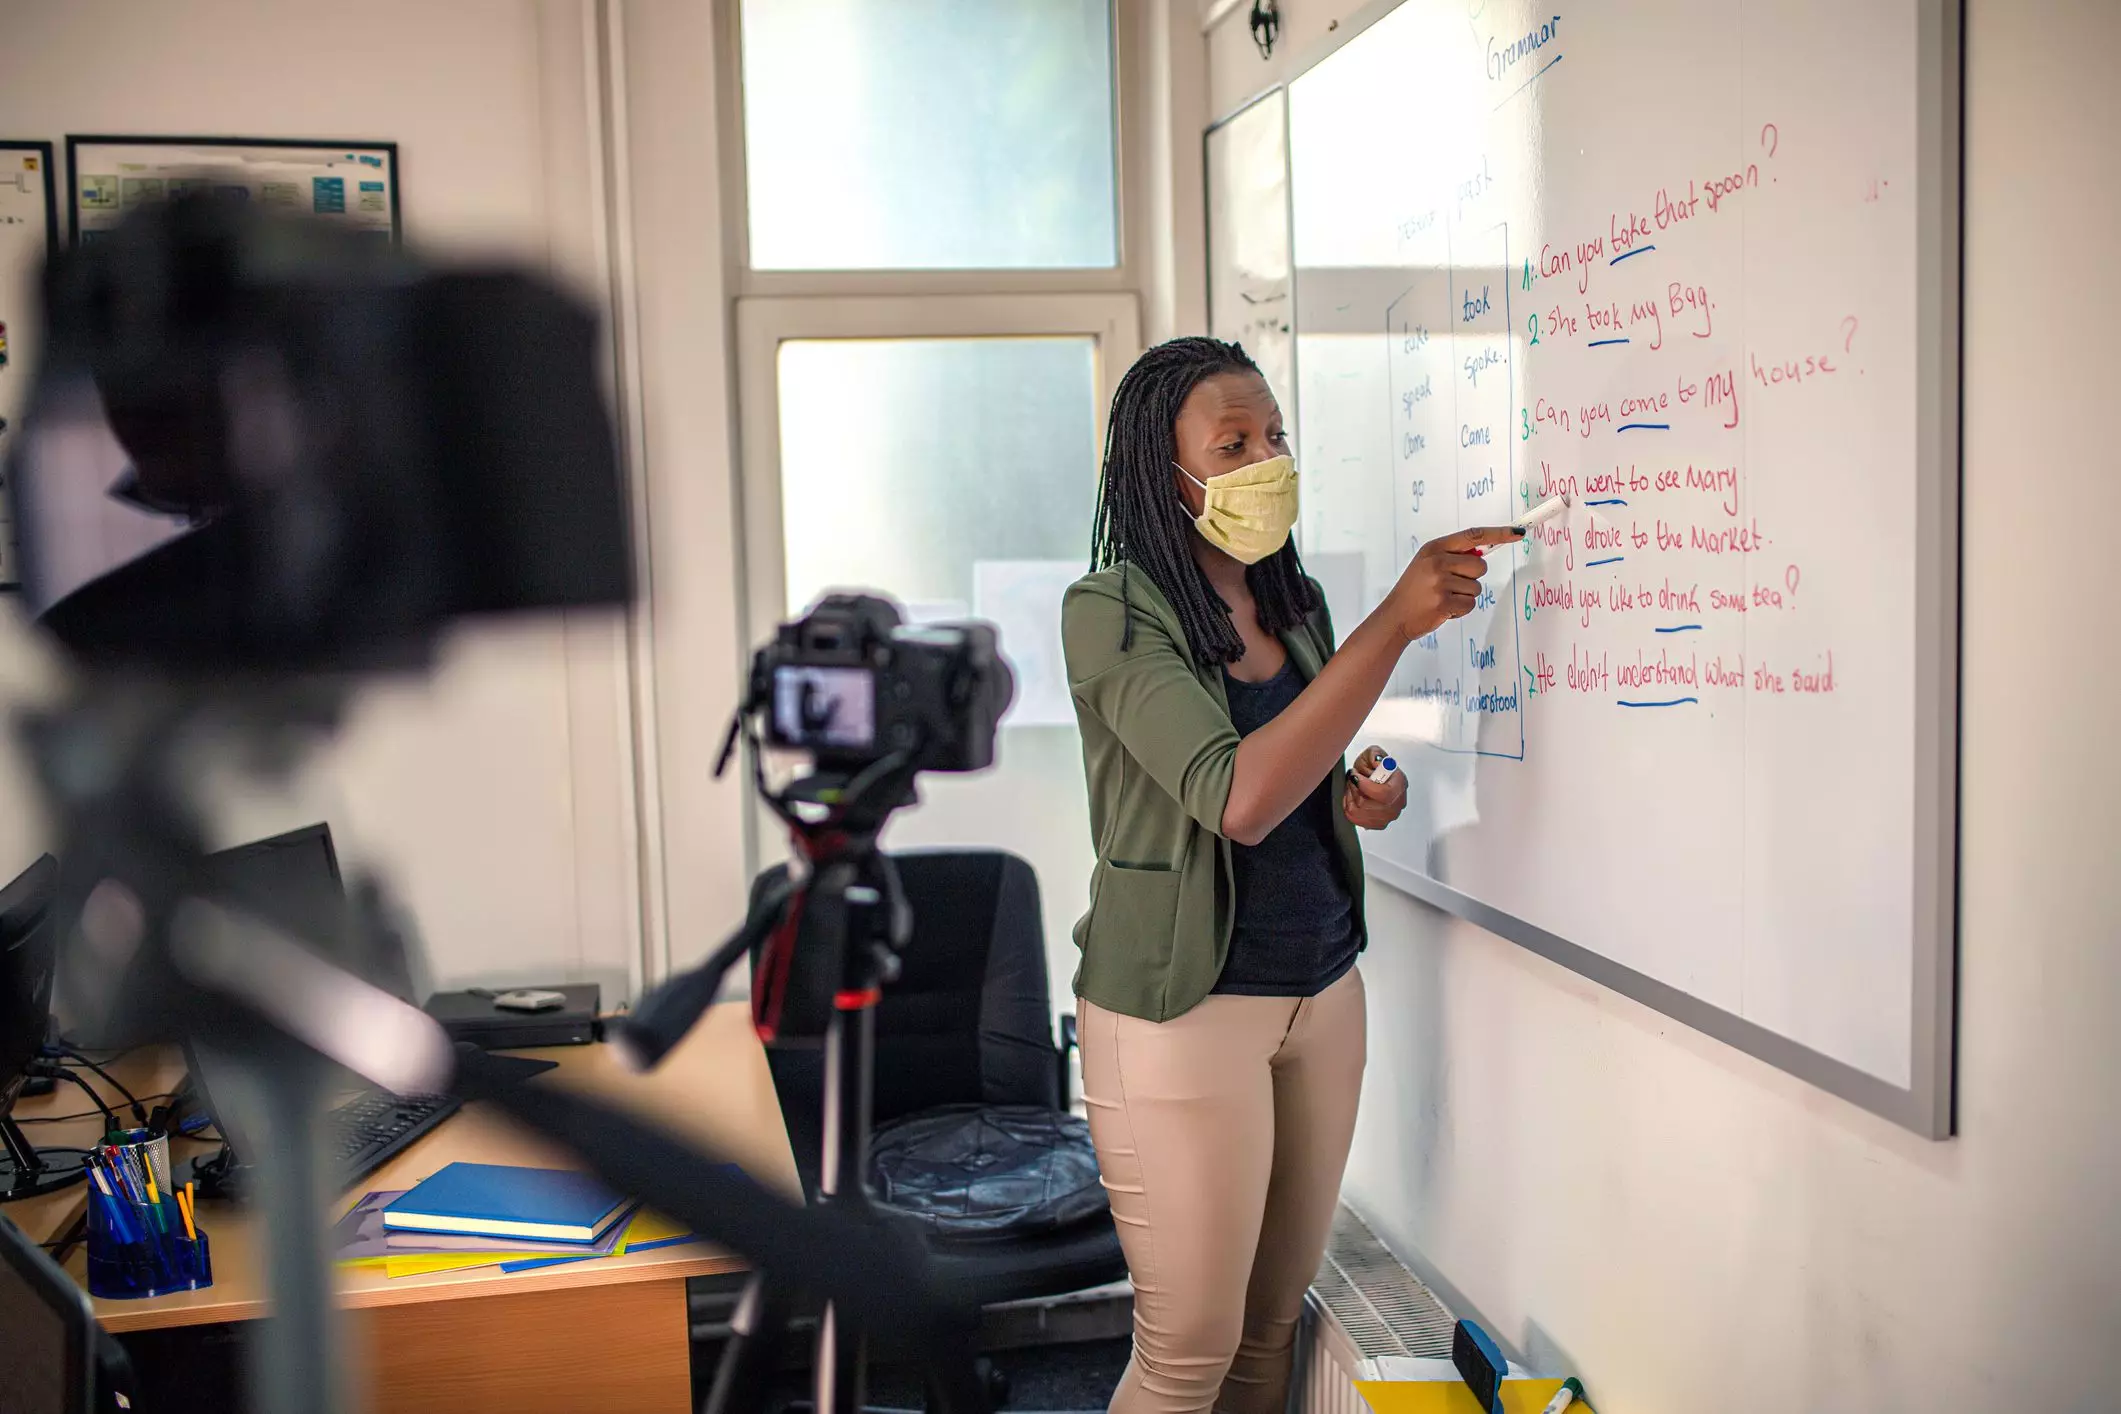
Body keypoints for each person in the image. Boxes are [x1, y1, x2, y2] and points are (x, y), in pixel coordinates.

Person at [1061, 336, 1520, 1414]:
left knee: (1272, 1331)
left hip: (1321, 986)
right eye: (1233, 443)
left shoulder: (1290, 596)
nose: (1267, 458)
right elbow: (1237, 795)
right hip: (1184, 1009)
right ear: (1160, 475)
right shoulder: (1113, 610)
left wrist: (1359, 793)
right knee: (1188, 1352)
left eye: (1274, 435)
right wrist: (1398, 622)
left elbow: (1297, 773)